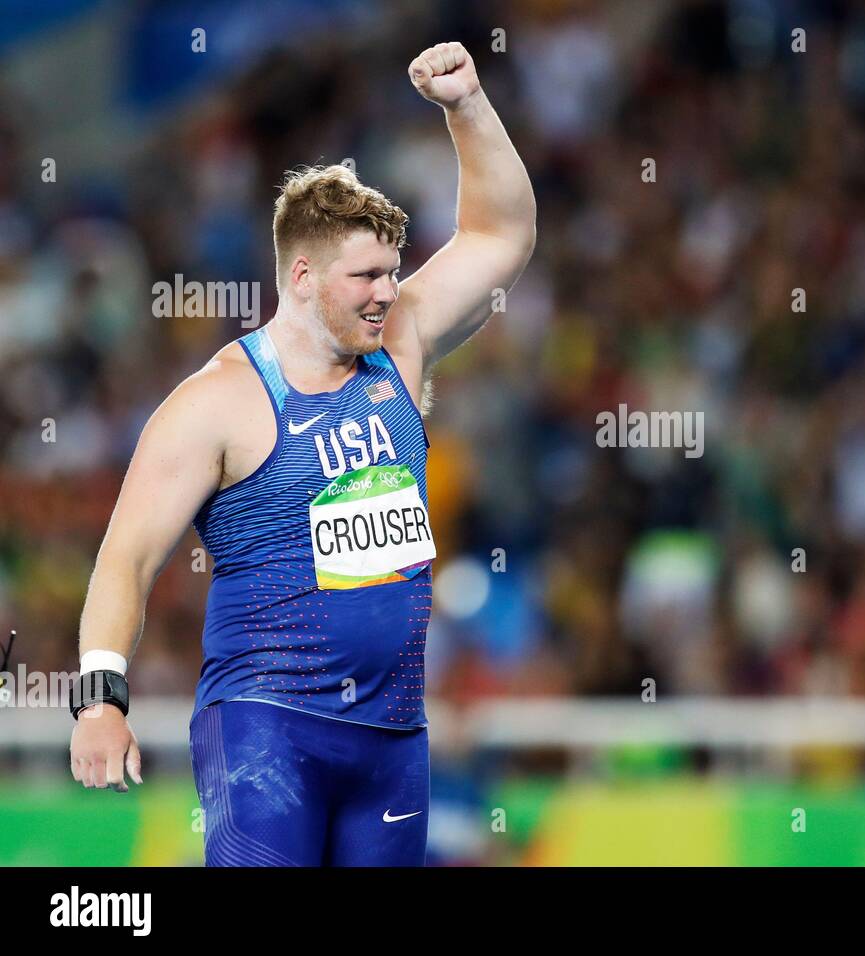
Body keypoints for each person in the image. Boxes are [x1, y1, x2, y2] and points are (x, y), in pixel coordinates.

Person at [68, 41, 536, 866]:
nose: (387, 293)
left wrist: (467, 106)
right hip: (266, 729)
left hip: (393, 736)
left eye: (391, 272)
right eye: (366, 277)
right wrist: (100, 698)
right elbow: (126, 559)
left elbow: (501, 233)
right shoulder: (215, 403)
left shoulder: (400, 345)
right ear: (304, 276)